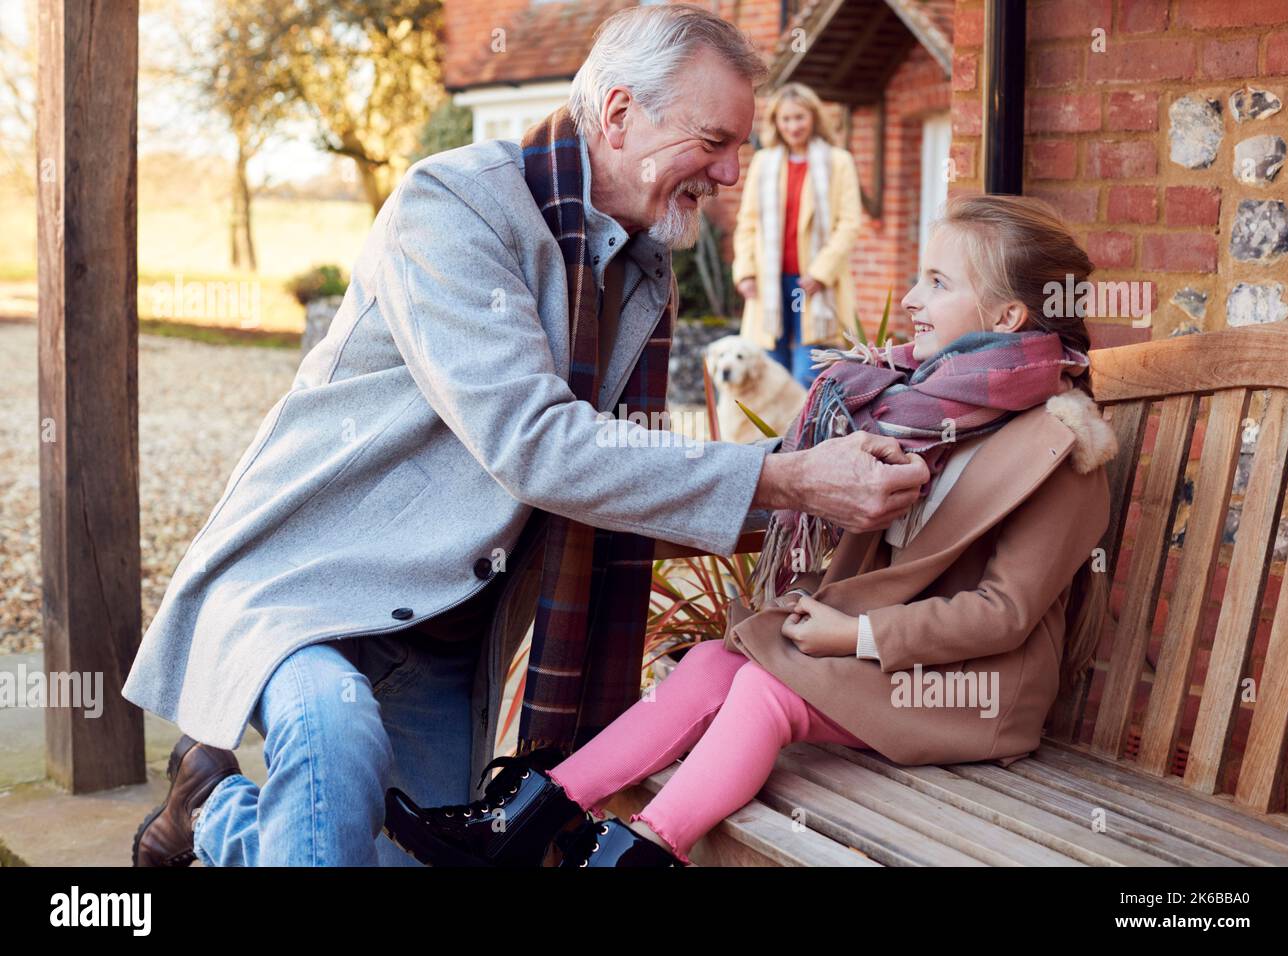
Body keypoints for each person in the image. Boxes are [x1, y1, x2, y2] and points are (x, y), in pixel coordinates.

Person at [125, 4, 932, 868]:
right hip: (310, 585)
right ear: (621, 115)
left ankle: (213, 811)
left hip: (437, 623)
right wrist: (790, 479)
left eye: (742, 148)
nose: (733, 172)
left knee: (411, 856)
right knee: (339, 746)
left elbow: (617, 488)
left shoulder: (632, 266)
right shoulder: (454, 207)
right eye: (716, 140)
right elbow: (538, 446)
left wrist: (821, 506)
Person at [386, 193, 1119, 866]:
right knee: (711, 665)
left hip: (972, 693)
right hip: (889, 666)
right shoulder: (921, 408)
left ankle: (640, 854)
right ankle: (522, 822)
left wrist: (855, 636)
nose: (911, 298)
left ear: (1008, 320)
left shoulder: (1060, 448)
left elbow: (1005, 614)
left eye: (937, 282)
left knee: (764, 694)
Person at [731, 83, 863, 389]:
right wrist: (746, 272)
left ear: (813, 117)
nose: (793, 126)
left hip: (813, 286)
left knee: (808, 373)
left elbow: (849, 223)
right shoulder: (764, 163)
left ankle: (808, 435)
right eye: (785, 119)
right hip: (769, 281)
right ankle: (774, 438)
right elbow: (748, 222)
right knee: (769, 372)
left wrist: (822, 272)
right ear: (776, 122)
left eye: (799, 117)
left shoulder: (838, 161)